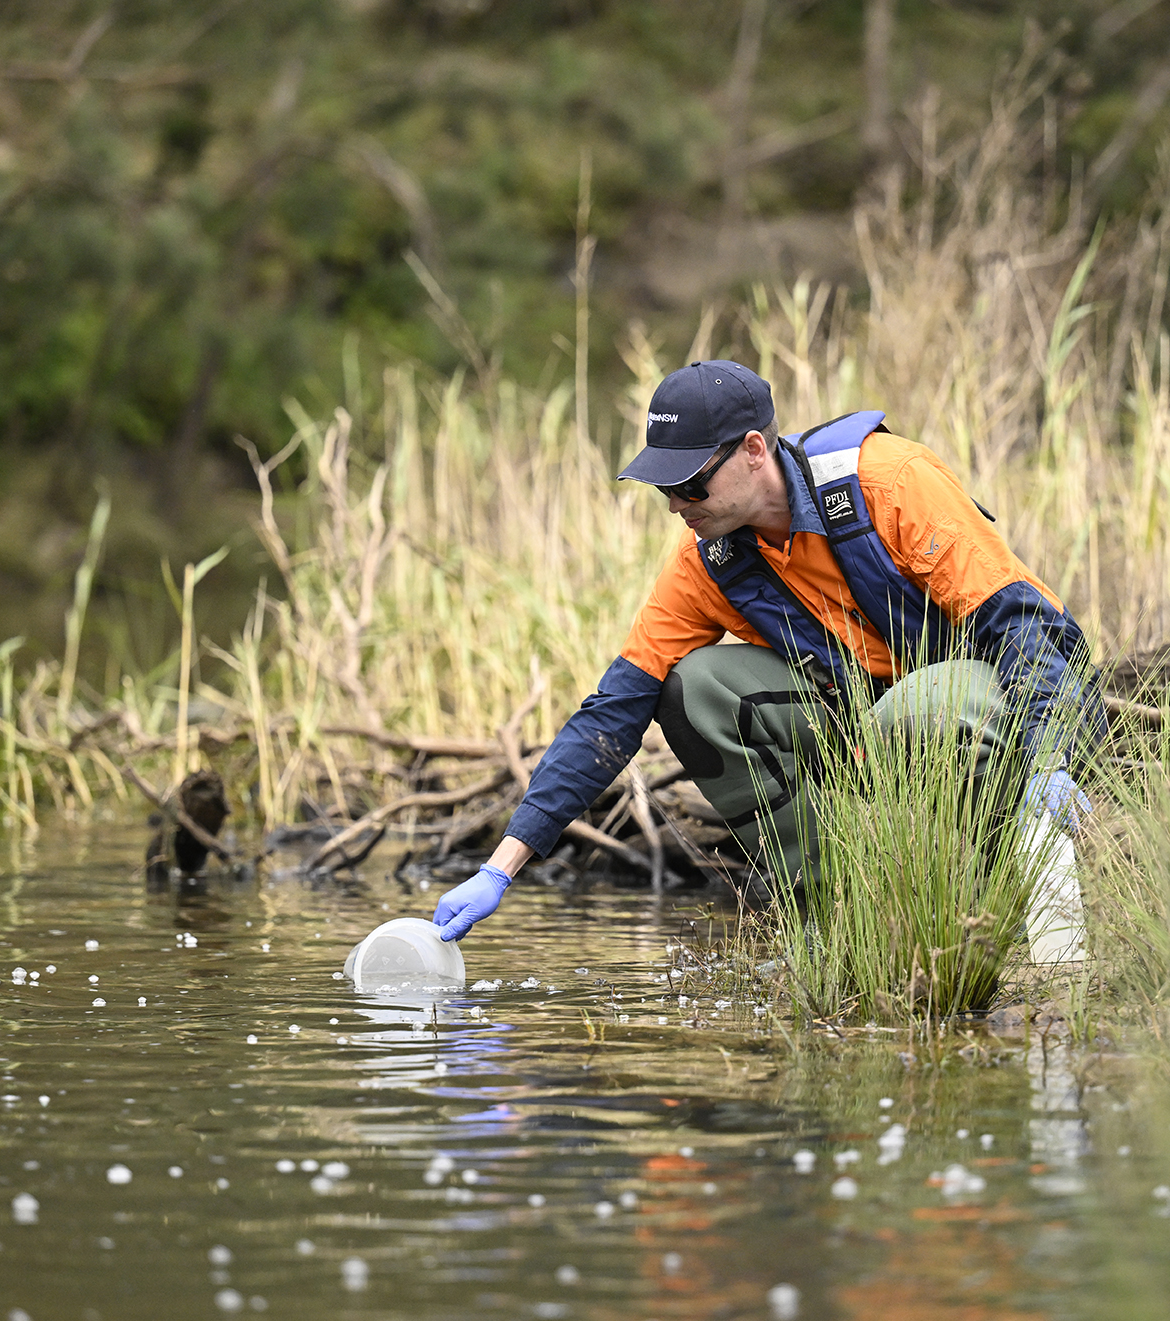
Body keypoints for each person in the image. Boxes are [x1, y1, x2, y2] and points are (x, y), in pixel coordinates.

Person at [431, 360, 1102, 957]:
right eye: (662, 487)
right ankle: (833, 921)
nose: (674, 505)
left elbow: (1025, 626)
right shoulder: (706, 561)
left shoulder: (889, 481)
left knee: (911, 712)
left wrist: (1050, 758)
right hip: (861, 728)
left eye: (689, 484)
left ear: (753, 450)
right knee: (691, 688)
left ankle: (1002, 900)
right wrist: (501, 866)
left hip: (985, 707)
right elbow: (614, 708)